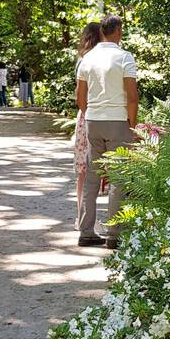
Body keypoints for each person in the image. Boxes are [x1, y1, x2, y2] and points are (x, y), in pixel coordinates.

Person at [76, 15, 138, 249]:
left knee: (92, 177)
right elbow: (132, 97)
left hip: (93, 120)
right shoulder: (124, 57)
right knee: (118, 178)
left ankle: (86, 231)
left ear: (102, 31)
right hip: (117, 120)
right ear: (118, 31)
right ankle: (114, 233)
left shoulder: (87, 58)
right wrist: (131, 125)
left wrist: (91, 113)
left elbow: (79, 97)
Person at [74, 22, 101, 231]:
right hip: (98, 114)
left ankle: (81, 217)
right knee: (99, 171)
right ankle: (90, 219)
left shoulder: (82, 60)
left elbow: (78, 96)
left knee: (84, 171)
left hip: (85, 116)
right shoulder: (101, 59)